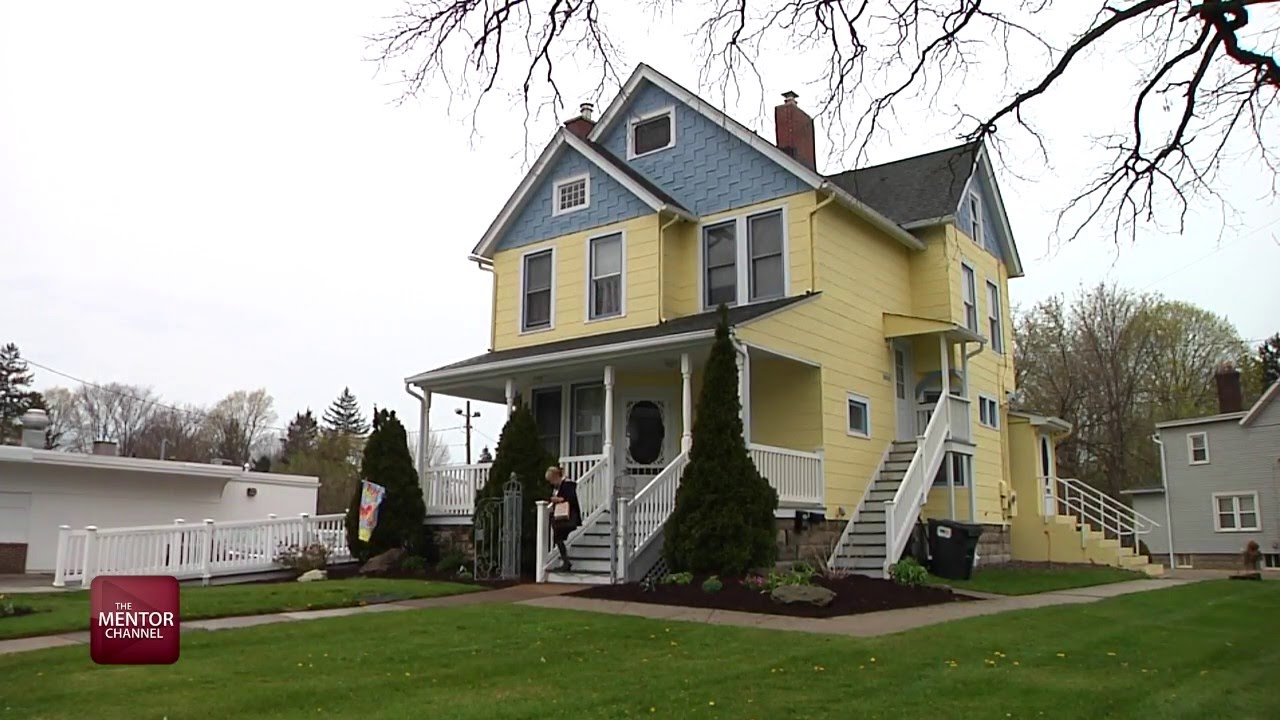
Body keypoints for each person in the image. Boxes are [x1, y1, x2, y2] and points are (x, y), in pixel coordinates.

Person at [545, 465, 581, 572]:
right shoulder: (559, 487)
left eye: (551, 480)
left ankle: (566, 562)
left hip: (569, 516)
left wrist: (560, 499)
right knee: (558, 537)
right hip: (562, 517)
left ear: (555, 476)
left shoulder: (567, 485)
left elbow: (571, 498)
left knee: (558, 536)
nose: (551, 483)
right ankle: (566, 562)